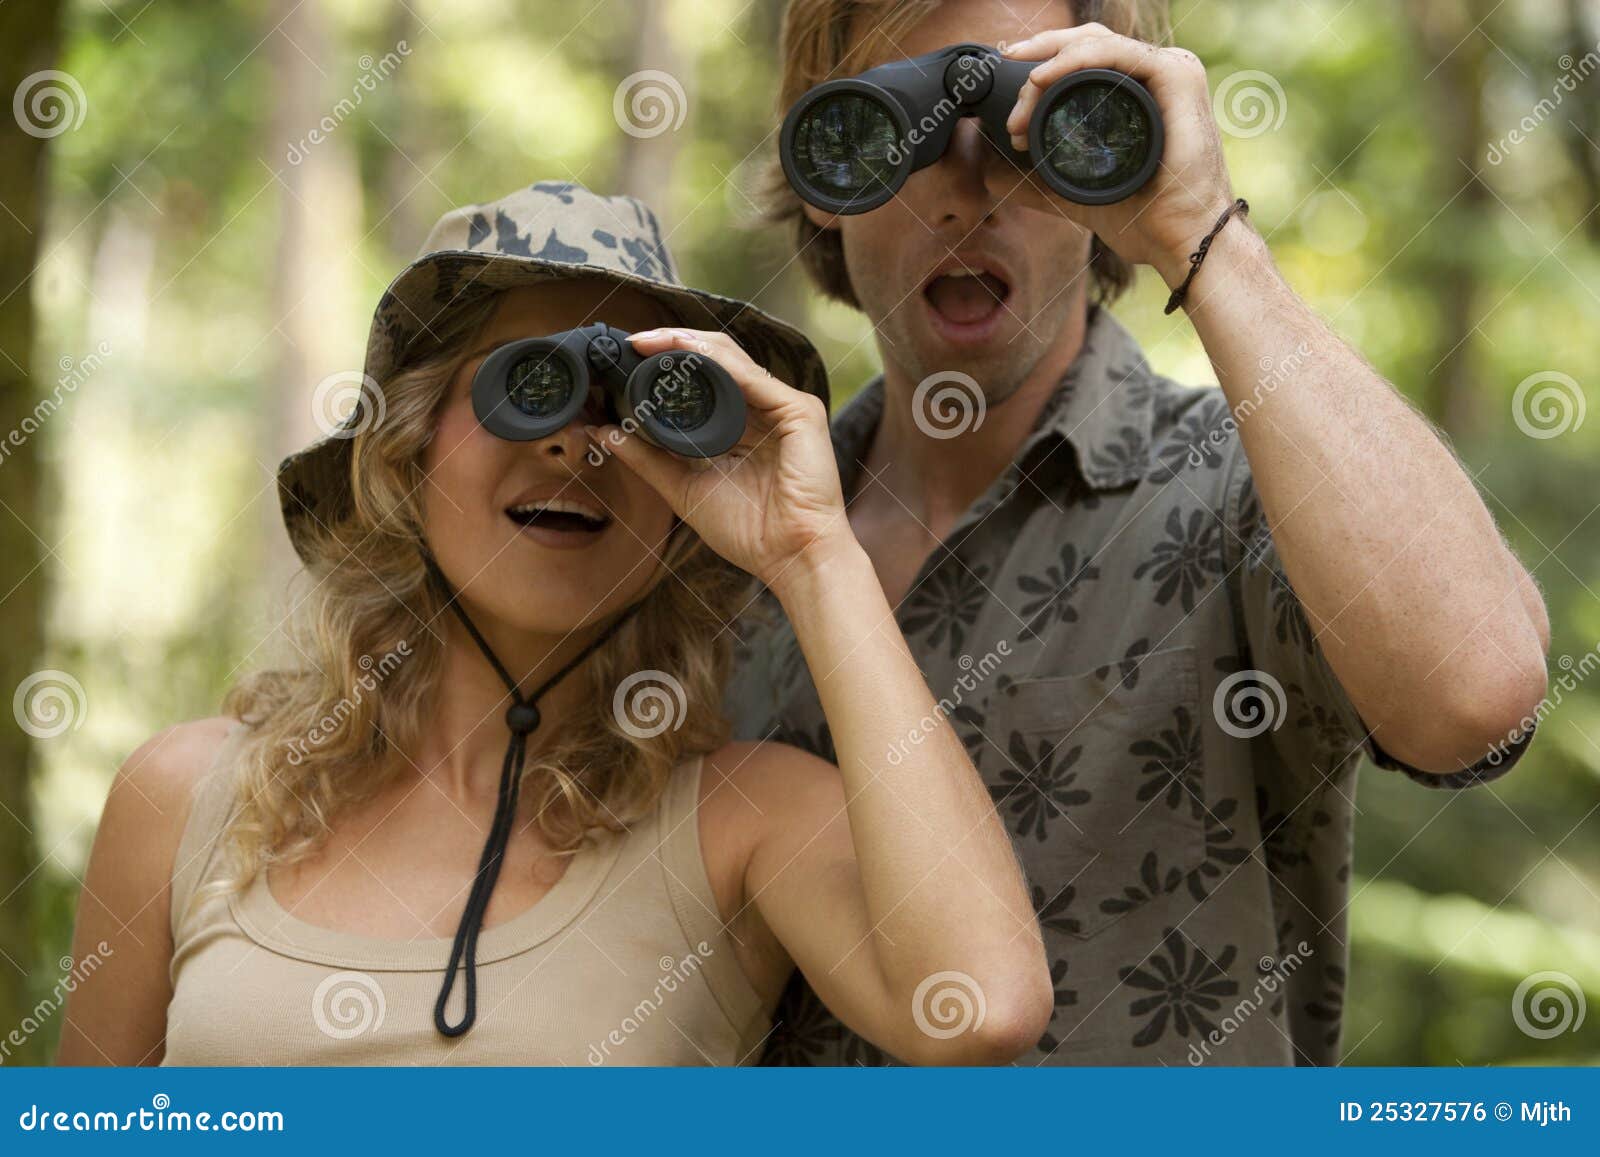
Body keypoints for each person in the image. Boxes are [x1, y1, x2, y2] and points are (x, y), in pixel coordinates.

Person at [55, 182, 1053, 1066]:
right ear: (410, 447)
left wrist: (812, 552)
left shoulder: (737, 822)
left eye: (636, 404)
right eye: (528, 385)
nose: (579, 444)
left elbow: (981, 1007)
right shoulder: (188, 800)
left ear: (681, 503)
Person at [732, 0, 1551, 1065]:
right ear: (821, 172)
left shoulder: (1235, 490)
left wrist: (1200, 232)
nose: (966, 192)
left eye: (1027, 121)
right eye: (898, 120)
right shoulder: (730, 545)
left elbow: (1472, 698)